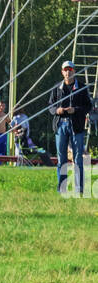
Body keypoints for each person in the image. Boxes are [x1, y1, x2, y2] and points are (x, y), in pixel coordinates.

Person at [48, 59, 91, 195]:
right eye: (65, 70)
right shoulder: (56, 87)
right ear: (62, 72)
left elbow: (88, 106)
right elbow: (50, 106)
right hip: (60, 125)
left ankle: (79, 188)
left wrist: (76, 110)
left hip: (76, 126)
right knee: (61, 158)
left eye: (70, 70)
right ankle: (62, 188)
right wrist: (57, 111)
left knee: (78, 158)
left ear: (74, 72)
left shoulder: (82, 87)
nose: (68, 72)